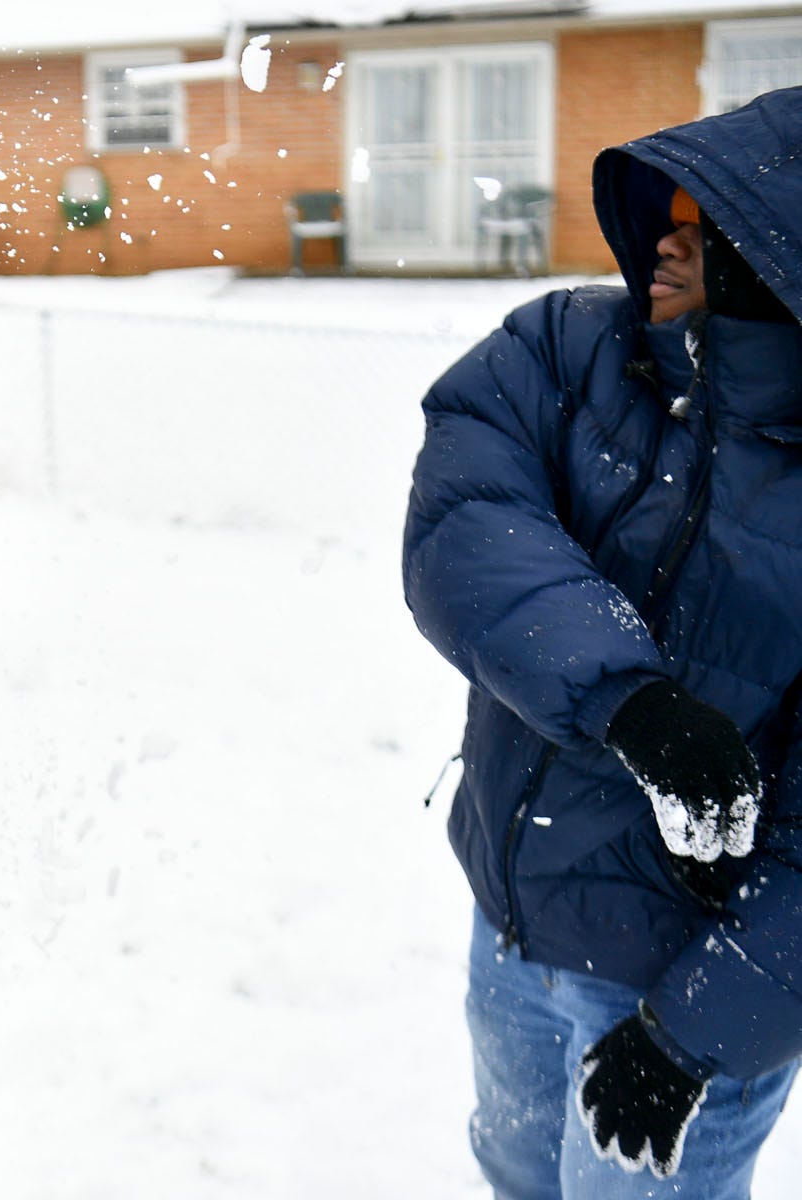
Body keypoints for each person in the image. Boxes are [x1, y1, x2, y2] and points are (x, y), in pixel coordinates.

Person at [404, 86, 802, 1197]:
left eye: (709, 225)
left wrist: (693, 1034)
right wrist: (629, 699)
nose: (667, 239)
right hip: (515, 921)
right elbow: (468, 523)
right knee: (516, 1172)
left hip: (682, 985)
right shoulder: (568, 349)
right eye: (668, 210)